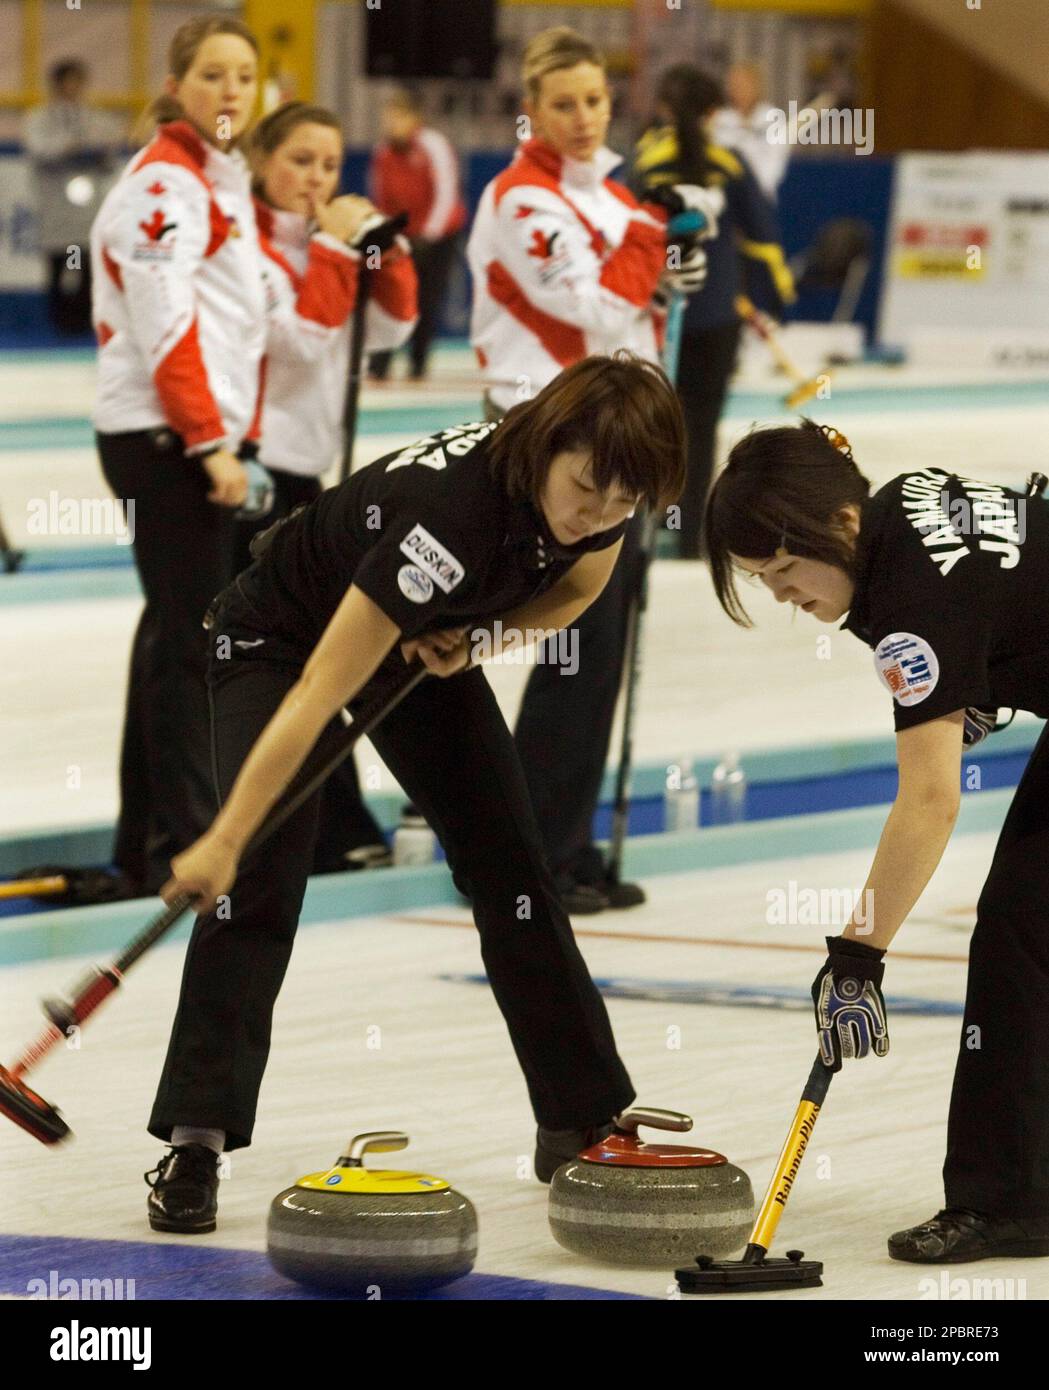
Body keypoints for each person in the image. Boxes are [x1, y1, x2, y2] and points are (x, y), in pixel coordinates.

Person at [141, 353, 686, 1234]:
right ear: (548, 444)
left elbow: (579, 588)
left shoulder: (608, 489)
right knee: (259, 883)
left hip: (417, 637)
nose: (600, 515)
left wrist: (484, 637)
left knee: (512, 865)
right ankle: (196, 1139)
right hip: (283, 642)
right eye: (587, 491)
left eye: (623, 505)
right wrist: (225, 837)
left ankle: (579, 1117)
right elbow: (320, 688)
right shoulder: (450, 518)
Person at [705, 420, 1049, 1264]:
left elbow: (928, 803)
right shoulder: (898, 505)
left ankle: (1007, 1201)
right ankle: (1014, 1194)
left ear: (840, 526)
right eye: (761, 581)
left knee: (1018, 927)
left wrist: (857, 955)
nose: (783, 597)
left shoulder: (906, 608)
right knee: (1023, 927)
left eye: (785, 571)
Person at [468, 25, 713, 913]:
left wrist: (668, 261)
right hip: (546, 434)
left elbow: (635, 301)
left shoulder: (609, 198)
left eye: (595, 101)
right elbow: (590, 304)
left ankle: (559, 847)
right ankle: (530, 853)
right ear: (530, 109)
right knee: (571, 636)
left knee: (599, 641)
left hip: (610, 436)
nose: (580, 118)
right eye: (562, 103)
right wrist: (658, 234)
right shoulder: (520, 199)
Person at [90, 16, 266, 897]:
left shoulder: (218, 180)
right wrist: (209, 442)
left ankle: (145, 840)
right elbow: (166, 325)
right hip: (163, 439)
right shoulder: (165, 184)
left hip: (185, 437)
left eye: (245, 76)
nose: (231, 91)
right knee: (191, 641)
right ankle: (182, 843)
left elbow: (240, 324)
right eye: (213, 76)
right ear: (177, 87)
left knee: (172, 634)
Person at [244, 100, 420, 870]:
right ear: (261, 162)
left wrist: (387, 248)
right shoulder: (246, 247)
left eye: (327, 164)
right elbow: (300, 341)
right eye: (298, 161)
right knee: (290, 652)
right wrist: (336, 252)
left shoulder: (329, 245)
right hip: (256, 470)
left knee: (325, 650)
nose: (316, 179)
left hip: (310, 475)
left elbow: (391, 329)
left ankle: (329, 822)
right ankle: (314, 824)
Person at [634, 64, 794, 559]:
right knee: (700, 426)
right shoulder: (730, 162)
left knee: (651, 423)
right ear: (714, 112)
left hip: (655, 316)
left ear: (661, 107)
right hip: (718, 314)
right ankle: (688, 538)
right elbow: (765, 238)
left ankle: (642, 527)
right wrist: (776, 297)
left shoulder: (642, 164)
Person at [366, 89, 467, 382]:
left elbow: (446, 193)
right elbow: (380, 197)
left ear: (414, 119)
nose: (391, 124)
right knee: (387, 296)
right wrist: (384, 234)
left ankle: (418, 365)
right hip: (402, 236)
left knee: (426, 300)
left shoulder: (432, 145)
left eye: (398, 117)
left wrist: (429, 235)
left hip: (438, 236)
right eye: (387, 118)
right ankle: (379, 366)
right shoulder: (382, 153)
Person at [23, 60, 119, 335]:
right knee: (60, 266)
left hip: (86, 211)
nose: (72, 87)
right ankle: (60, 321)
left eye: (77, 81)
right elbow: (39, 150)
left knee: (86, 266)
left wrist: (95, 151)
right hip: (57, 206)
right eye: (67, 81)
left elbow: (110, 150)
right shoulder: (39, 119)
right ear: (57, 85)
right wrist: (69, 148)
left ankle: (84, 320)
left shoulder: (95, 118)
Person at [709, 62, 789, 205]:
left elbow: (775, 163)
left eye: (743, 84)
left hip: (761, 196)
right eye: (733, 85)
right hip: (726, 197)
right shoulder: (720, 119)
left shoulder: (773, 118)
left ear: (756, 86)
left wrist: (754, 190)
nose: (738, 90)